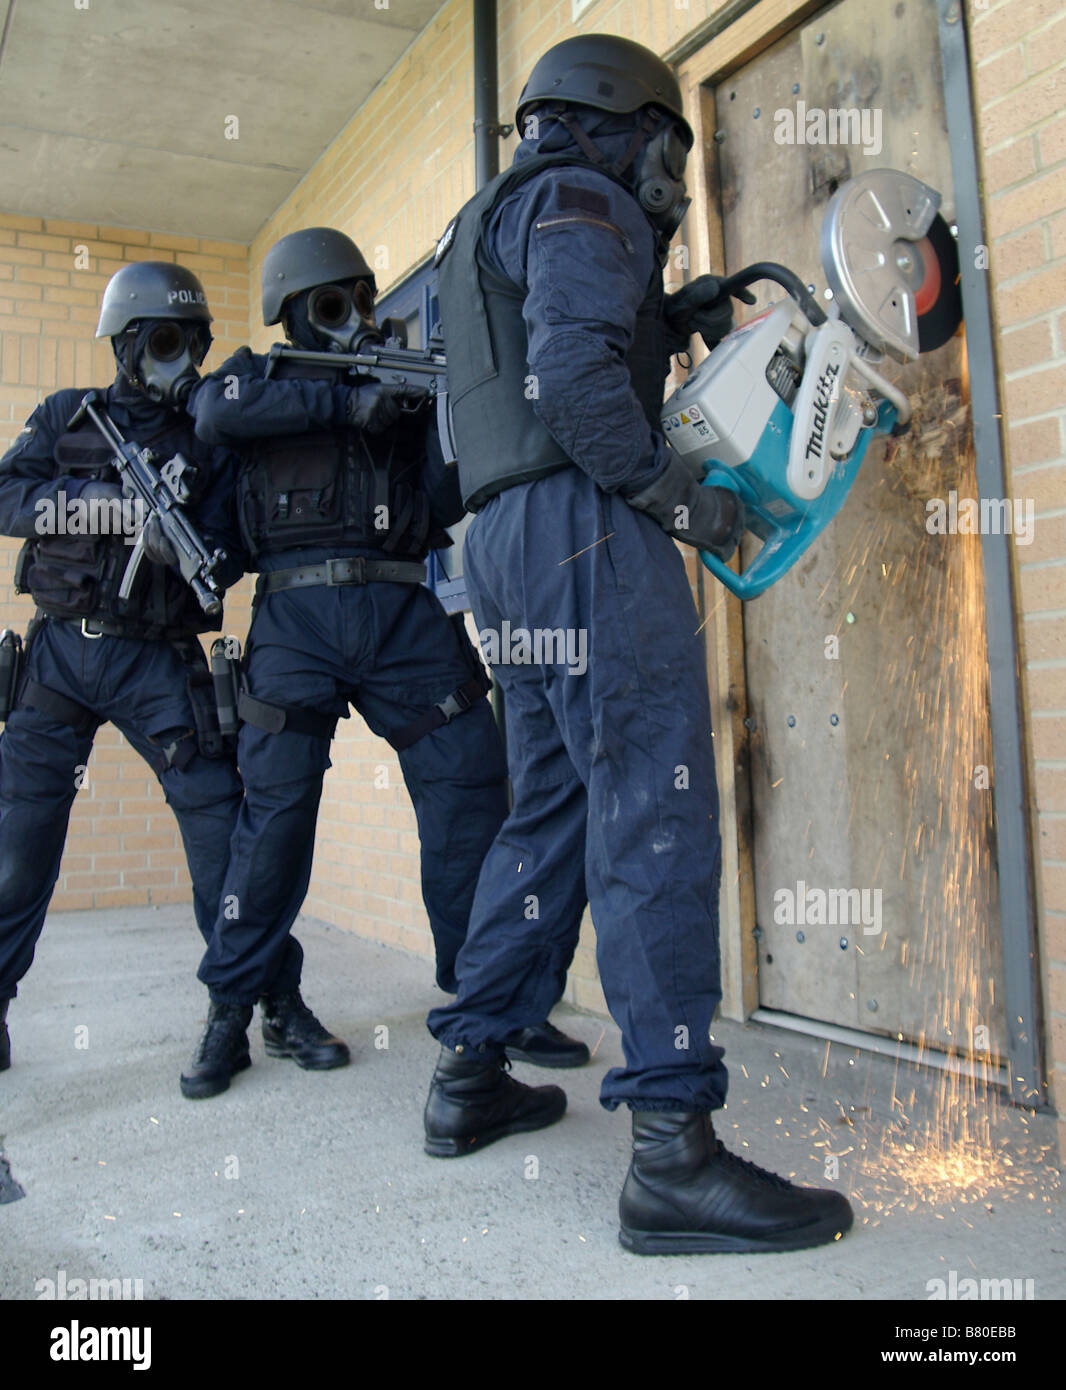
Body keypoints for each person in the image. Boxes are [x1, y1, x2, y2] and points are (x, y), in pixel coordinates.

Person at [424, 34, 854, 1254]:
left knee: (550, 811)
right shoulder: (579, 193)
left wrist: (676, 311)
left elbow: (543, 350)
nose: (669, 170)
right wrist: (683, 499)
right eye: (667, 143)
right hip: (583, 527)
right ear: (620, 118)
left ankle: (467, 1072)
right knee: (651, 808)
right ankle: (673, 1153)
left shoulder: (489, 217)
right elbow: (572, 375)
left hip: (503, 543)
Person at [185, 227, 588, 1101]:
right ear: (292, 309)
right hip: (296, 617)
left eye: (363, 300)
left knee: (472, 795)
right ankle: (232, 1011)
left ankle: (491, 1001)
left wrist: (427, 421)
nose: (354, 317)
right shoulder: (254, 379)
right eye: (333, 302)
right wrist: (345, 407)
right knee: (274, 820)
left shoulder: (397, 386)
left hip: (405, 610)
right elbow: (213, 413)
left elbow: (447, 497)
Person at [0, 263, 245, 1081]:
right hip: (60, 655)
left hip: (156, 660)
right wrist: (104, 503)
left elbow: (233, 549)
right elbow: (6, 495)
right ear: (129, 346)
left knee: (221, 827)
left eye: (195, 344)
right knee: (16, 849)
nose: (185, 360)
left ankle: (252, 1004)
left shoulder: (208, 437)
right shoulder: (68, 416)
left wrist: (191, 536)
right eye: (168, 342)